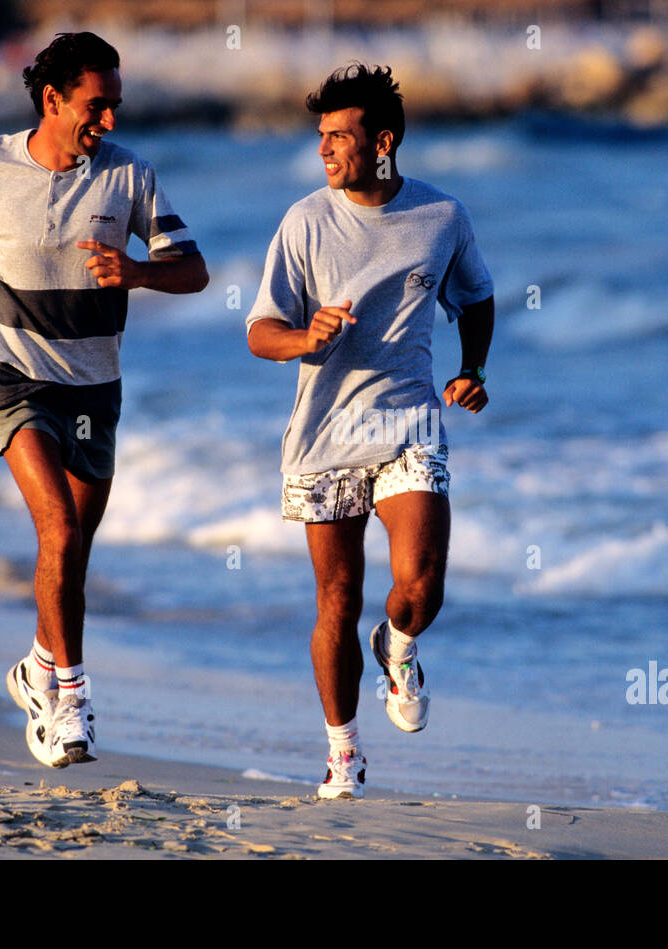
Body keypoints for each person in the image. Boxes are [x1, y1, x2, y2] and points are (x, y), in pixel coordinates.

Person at [0, 32, 208, 768]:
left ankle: (37, 664)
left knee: (70, 552)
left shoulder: (131, 178)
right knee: (58, 528)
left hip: (94, 380)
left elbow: (191, 269)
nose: (111, 122)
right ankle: (71, 700)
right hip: (9, 370)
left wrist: (137, 273)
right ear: (53, 98)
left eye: (117, 107)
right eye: (98, 106)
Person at [246, 63, 494, 799]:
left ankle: (402, 645)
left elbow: (475, 298)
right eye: (320, 136)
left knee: (418, 588)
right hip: (323, 433)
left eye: (339, 137)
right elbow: (261, 330)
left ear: (382, 141)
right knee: (338, 600)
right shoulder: (304, 222)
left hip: (409, 423)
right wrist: (304, 337)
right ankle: (343, 753)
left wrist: (472, 366)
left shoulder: (441, 218)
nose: (325, 150)